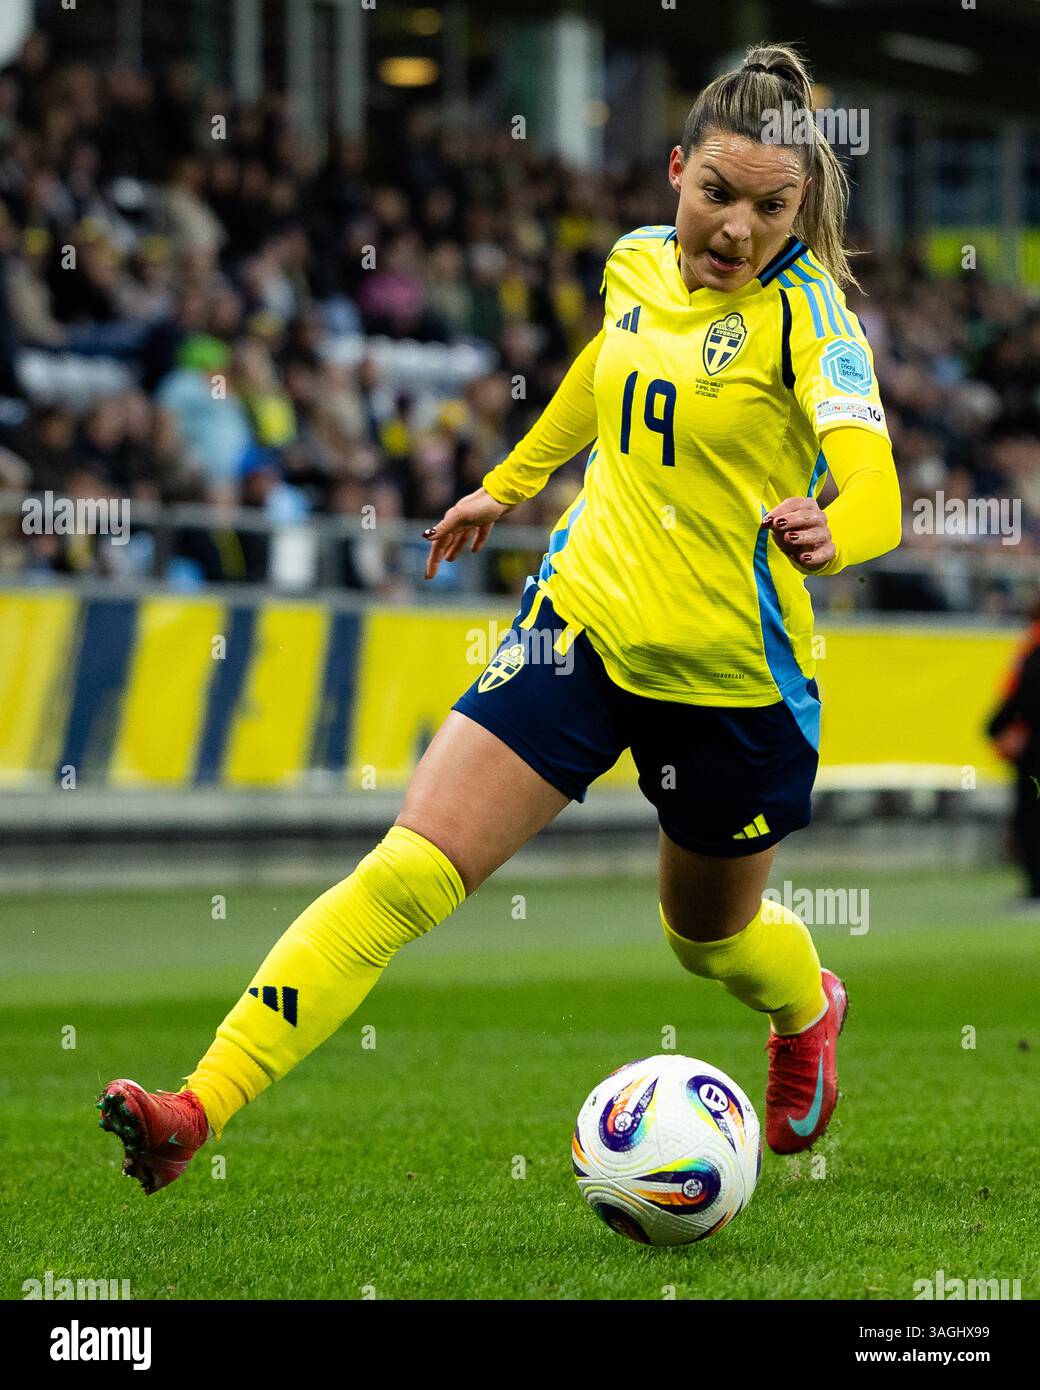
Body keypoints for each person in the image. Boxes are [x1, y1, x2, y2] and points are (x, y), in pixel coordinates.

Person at [97, 43, 901, 1196]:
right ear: (674, 171)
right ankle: (196, 1105)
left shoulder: (808, 321)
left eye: (768, 208)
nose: (732, 228)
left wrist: (840, 531)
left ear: (799, 208)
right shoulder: (633, 265)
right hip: (576, 626)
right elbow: (597, 374)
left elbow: (870, 476)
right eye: (713, 193)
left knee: (707, 941)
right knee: (405, 874)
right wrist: (512, 481)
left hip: (731, 682)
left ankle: (804, 1003)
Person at [986, 598, 1040, 906]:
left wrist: (996, 727)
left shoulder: (1033, 648)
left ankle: (1036, 886)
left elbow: (1021, 693)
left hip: (1034, 749)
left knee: (1030, 817)